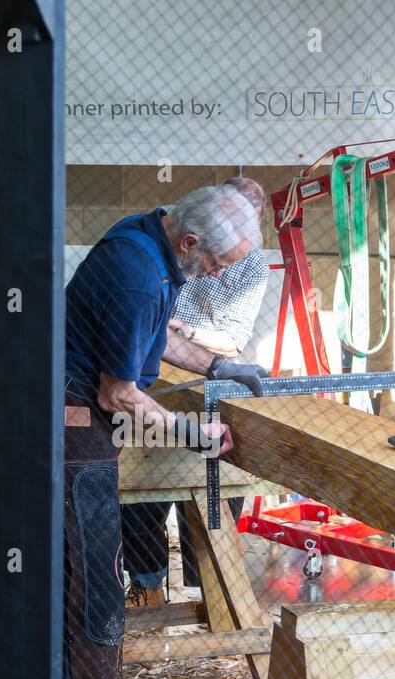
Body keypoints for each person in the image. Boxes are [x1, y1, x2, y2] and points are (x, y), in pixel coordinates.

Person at [63, 185, 269, 679]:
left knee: (85, 580)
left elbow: (156, 337)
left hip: (80, 418)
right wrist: (190, 433)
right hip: (74, 422)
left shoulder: (150, 244)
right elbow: (118, 393)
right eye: (217, 264)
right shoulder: (138, 271)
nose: (214, 275)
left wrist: (218, 366)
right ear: (191, 244)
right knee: (94, 585)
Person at [122, 177, 271, 606]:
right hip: (157, 371)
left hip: (203, 364)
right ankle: (147, 584)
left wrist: (186, 332)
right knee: (142, 481)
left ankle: (209, 588)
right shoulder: (170, 230)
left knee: (218, 485)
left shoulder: (253, 265)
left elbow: (233, 339)